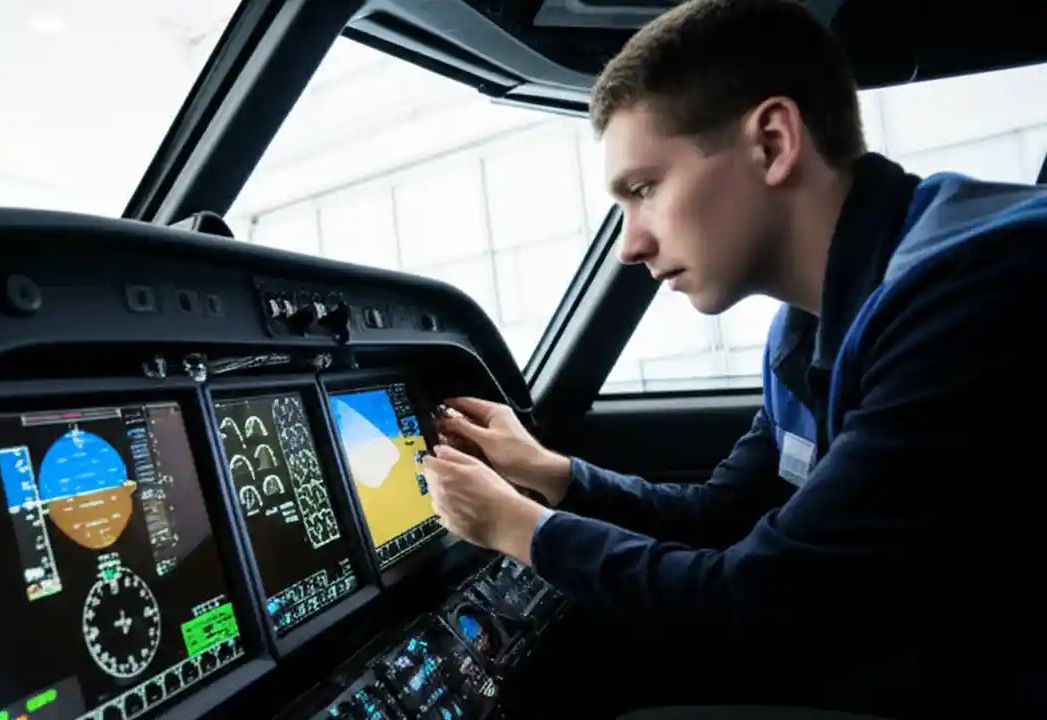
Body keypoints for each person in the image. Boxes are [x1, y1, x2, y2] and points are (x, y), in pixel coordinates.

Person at [419, 0, 1047, 716]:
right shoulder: (811, 328)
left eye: (645, 189)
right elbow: (722, 516)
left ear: (773, 141)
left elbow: (761, 602)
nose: (630, 244)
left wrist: (514, 526)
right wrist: (547, 473)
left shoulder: (974, 291)